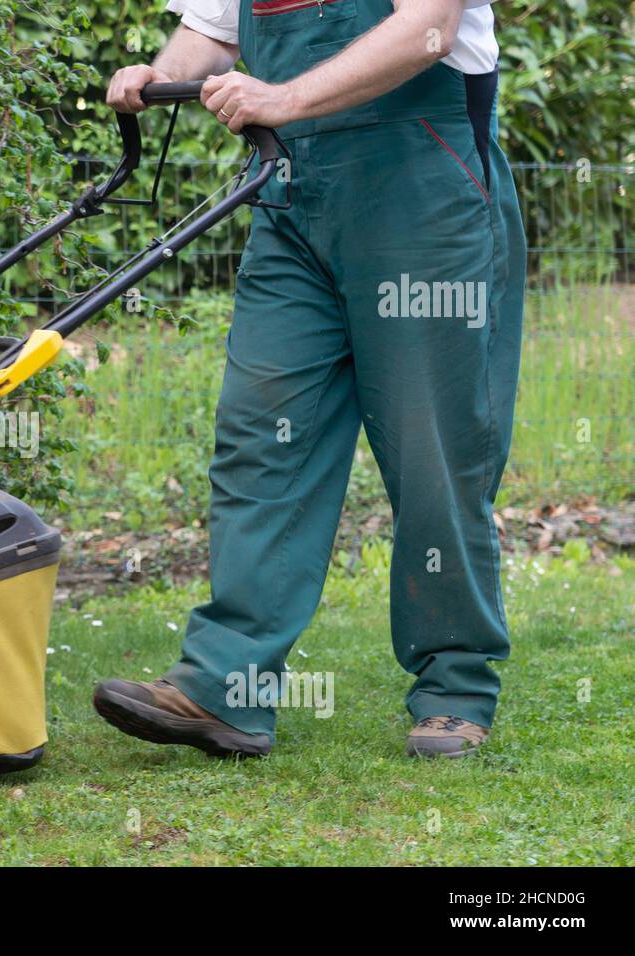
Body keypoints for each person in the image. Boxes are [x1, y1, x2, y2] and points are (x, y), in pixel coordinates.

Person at [93, 0, 526, 758]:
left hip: (424, 188)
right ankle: (226, 686)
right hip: (292, 198)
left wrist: (284, 98)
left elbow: (430, 27)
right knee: (262, 436)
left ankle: (456, 682)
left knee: (436, 449)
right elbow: (212, 29)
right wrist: (159, 77)